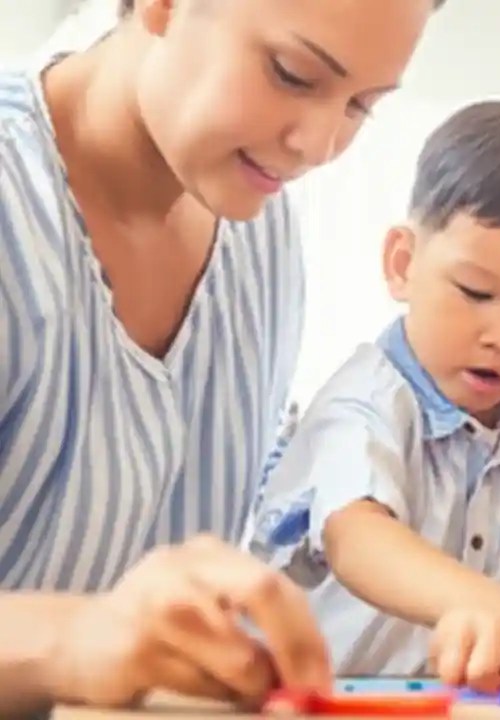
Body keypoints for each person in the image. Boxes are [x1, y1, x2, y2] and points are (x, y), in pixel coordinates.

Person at [0, 0, 440, 711]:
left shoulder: (261, 238)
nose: (319, 145)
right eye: (291, 74)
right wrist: (67, 639)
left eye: (360, 105)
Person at [243, 100, 500, 691]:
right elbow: (355, 536)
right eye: (475, 291)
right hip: (308, 702)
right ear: (403, 264)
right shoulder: (362, 404)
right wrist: (469, 597)